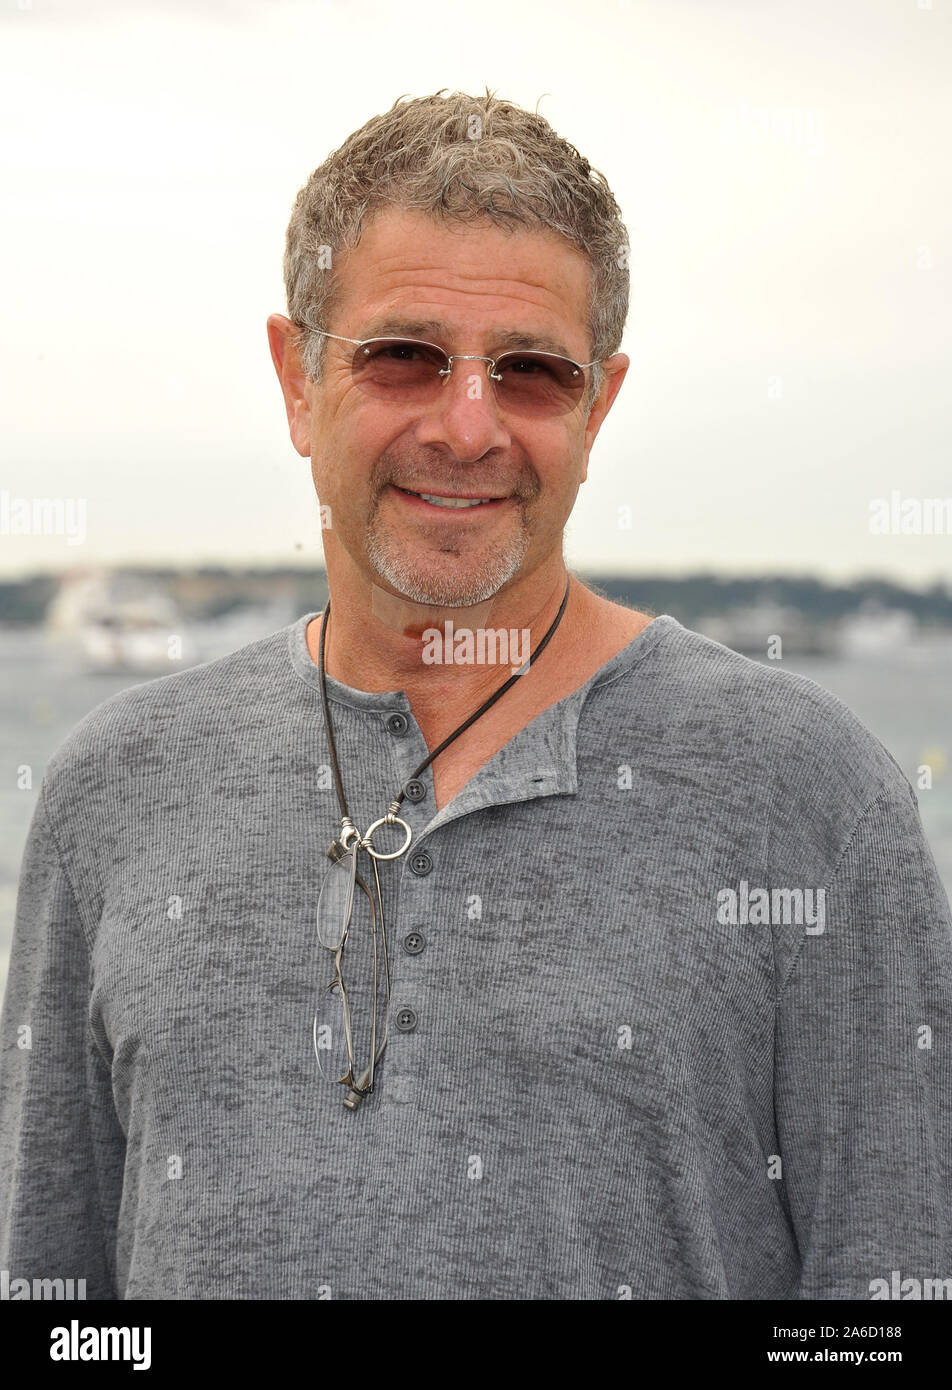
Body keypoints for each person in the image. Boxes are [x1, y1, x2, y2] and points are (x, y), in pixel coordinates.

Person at [1, 88, 950, 1302]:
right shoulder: (112, 791)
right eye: (405, 356)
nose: (467, 425)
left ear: (598, 407)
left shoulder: (809, 795)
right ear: (298, 380)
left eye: (530, 373)